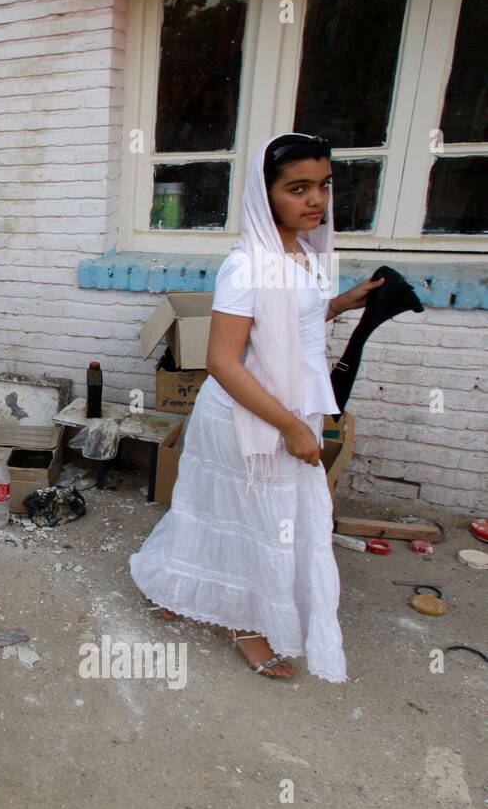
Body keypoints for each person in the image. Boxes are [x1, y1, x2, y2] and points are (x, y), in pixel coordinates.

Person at [129, 134, 383, 682]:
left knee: (248, 518)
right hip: (252, 418)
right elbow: (222, 360)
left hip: (287, 412)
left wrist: (343, 301)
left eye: (323, 186)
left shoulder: (305, 253)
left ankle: (183, 588)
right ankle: (246, 625)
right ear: (265, 196)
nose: (315, 200)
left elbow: (292, 326)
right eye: (297, 188)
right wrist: (290, 425)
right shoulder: (247, 265)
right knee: (253, 523)